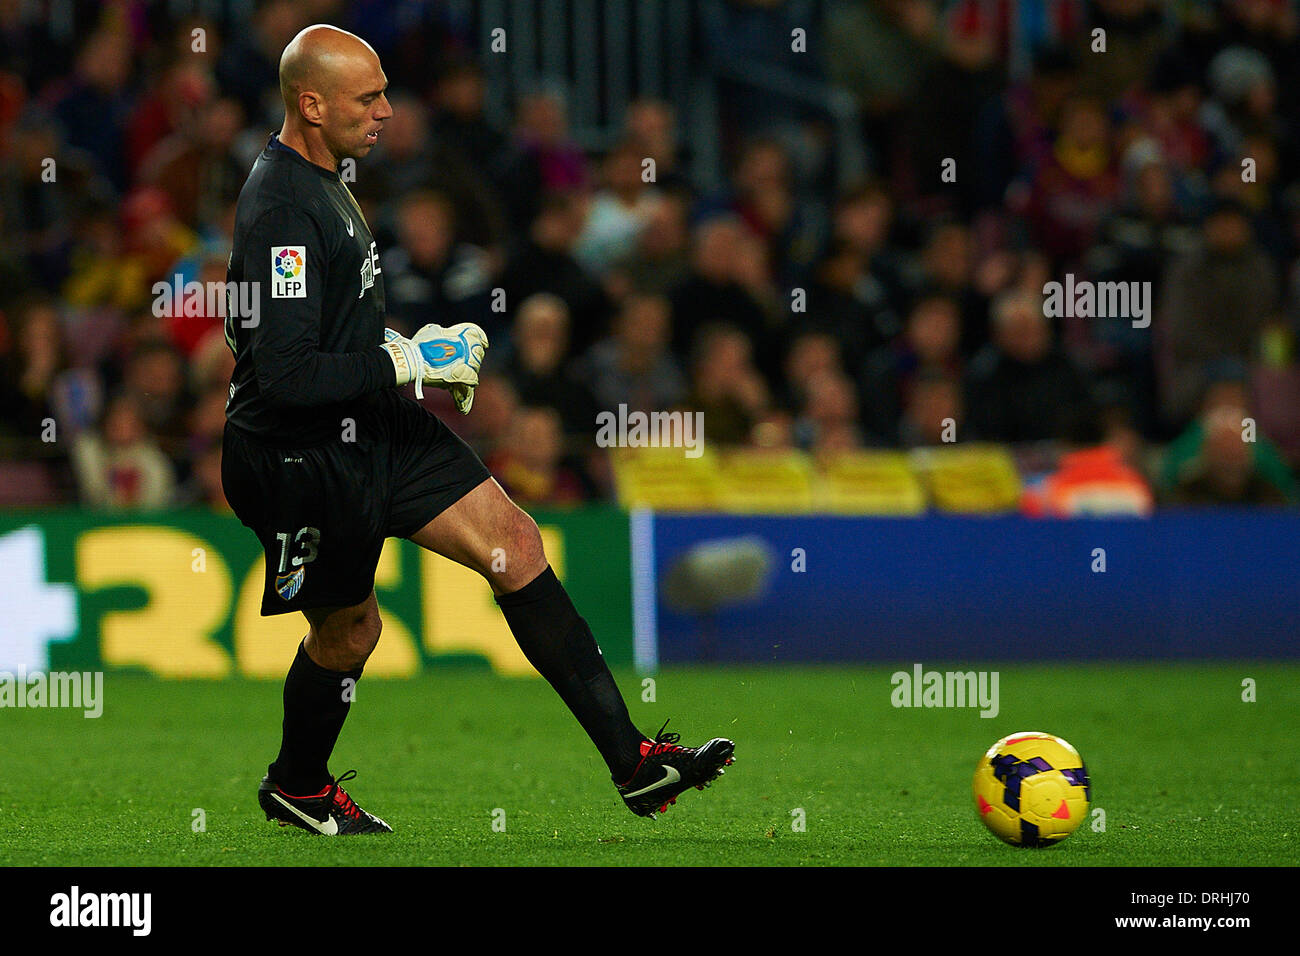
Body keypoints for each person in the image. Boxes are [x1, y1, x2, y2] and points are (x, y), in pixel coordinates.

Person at [220, 25, 733, 836]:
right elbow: (284, 377)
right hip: (302, 454)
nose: (388, 109)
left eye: (387, 90)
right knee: (351, 633)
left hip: (372, 425)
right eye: (369, 97)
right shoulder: (283, 206)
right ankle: (299, 784)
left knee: (517, 547)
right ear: (311, 105)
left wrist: (386, 351)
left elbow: (279, 332)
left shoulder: (327, 176)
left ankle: (636, 765)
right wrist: (408, 360)